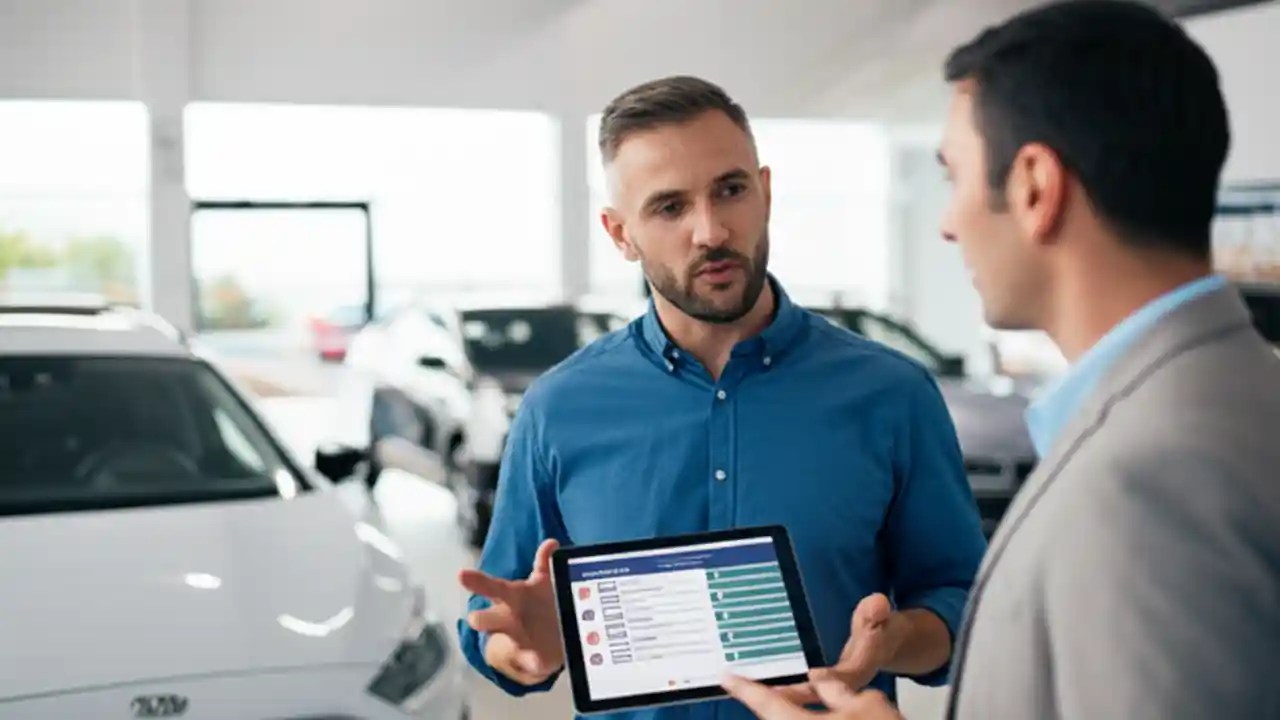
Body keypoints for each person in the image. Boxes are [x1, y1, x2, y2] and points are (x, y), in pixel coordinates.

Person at [722, 1, 1280, 718]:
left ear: (1035, 187)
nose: (948, 224)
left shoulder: (1149, 480)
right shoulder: (1237, 397)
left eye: (954, 177)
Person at [455, 75, 988, 719]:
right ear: (621, 234)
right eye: (669, 207)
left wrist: (895, 640)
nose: (710, 231)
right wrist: (521, 650)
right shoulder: (557, 410)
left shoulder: (893, 395)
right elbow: (495, 616)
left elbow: (962, 603)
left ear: (765, 193)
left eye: (730, 191)